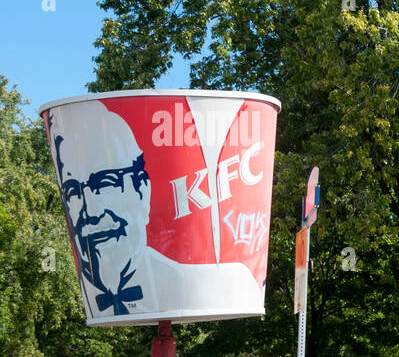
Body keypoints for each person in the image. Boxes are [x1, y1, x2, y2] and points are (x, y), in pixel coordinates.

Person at [48, 99, 261, 323]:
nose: (90, 210)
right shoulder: (68, 295)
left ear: (142, 192)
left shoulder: (225, 284)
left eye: (105, 184)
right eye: (72, 192)